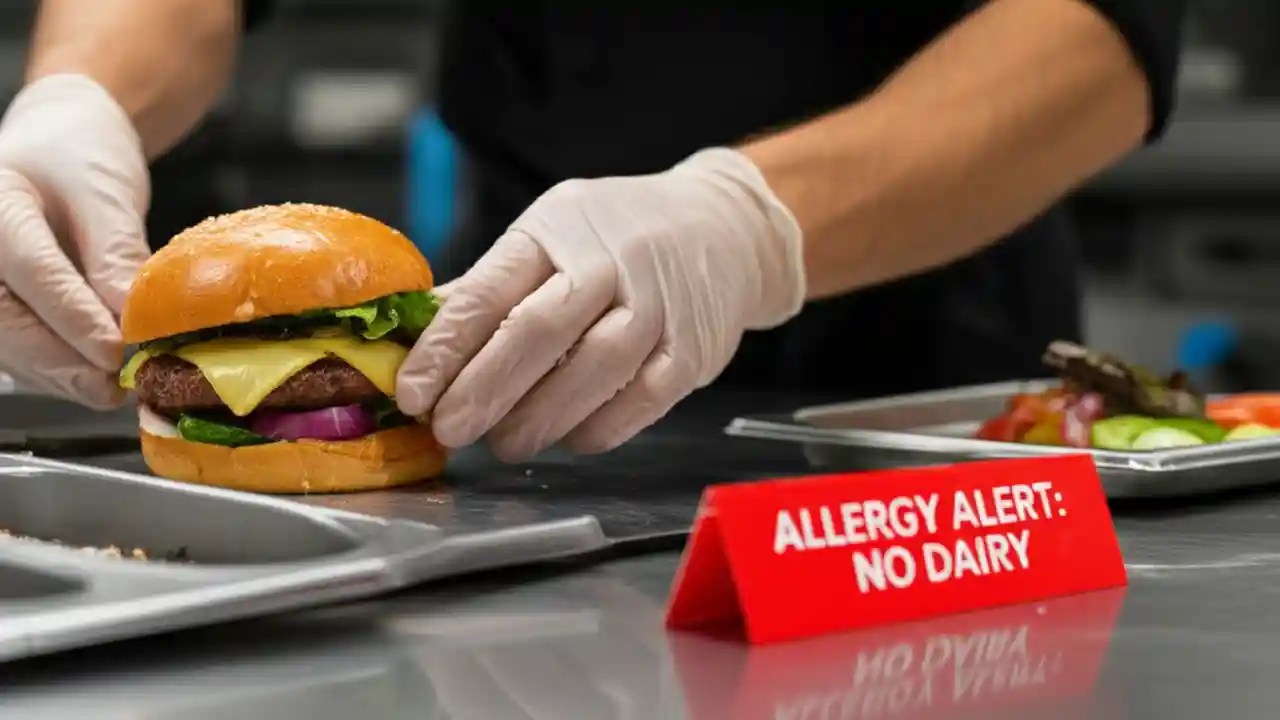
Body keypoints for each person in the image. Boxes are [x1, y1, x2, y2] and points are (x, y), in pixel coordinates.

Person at [0, 0, 1185, 461]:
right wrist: (78, 98)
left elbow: (1094, 36)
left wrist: (745, 223)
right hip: (517, 353)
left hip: (908, 365)